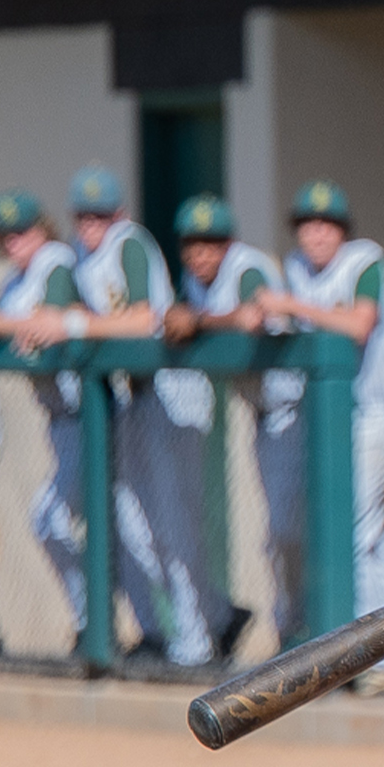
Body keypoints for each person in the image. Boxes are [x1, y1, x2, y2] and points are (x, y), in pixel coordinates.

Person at [20, 165, 244, 666]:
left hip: (172, 387)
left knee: (171, 522)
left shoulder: (129, 241)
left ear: (117, 213)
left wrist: (72, 322)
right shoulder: (82, 255)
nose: (92, 225)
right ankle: (214, 619)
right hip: (138, 397)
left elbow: (145, 318)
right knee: (143, 528)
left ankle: (196, 643)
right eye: (84, 216)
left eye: (101, 214)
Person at [257, 179, 384, 695]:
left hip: (377, 415)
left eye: (326, 225)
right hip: (327, 422)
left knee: (356, 529)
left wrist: (291, 305)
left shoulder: (364, 261)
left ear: (342, 231)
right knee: (343, 533)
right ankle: (352, 647)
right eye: (307, 225)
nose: (316, 235)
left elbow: (358, 325)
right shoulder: (297, 270)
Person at [160, 194, 295, 651]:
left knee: (292, 533)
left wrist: (197, 319)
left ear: (228, 243)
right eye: (193, 244)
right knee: (278, 534)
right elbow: (185, 319)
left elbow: (252, 316)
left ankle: (307, 636)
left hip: (301, 410)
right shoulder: (194, 281)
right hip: (263, 413)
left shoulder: (247, 265)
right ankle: (292, 635)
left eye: (211, 243)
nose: (201, 253)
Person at [0, 189, 83, 653]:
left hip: (95, 413)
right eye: (6, 235)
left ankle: (101, 623)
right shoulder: (13, 281)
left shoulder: (55, 259)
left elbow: (49, 317)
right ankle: (95, 623)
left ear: (41, 228)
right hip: (59, 418)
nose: (14, 242)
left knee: (54, 520)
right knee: (60, 523)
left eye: (22, 231)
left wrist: (10, 324)